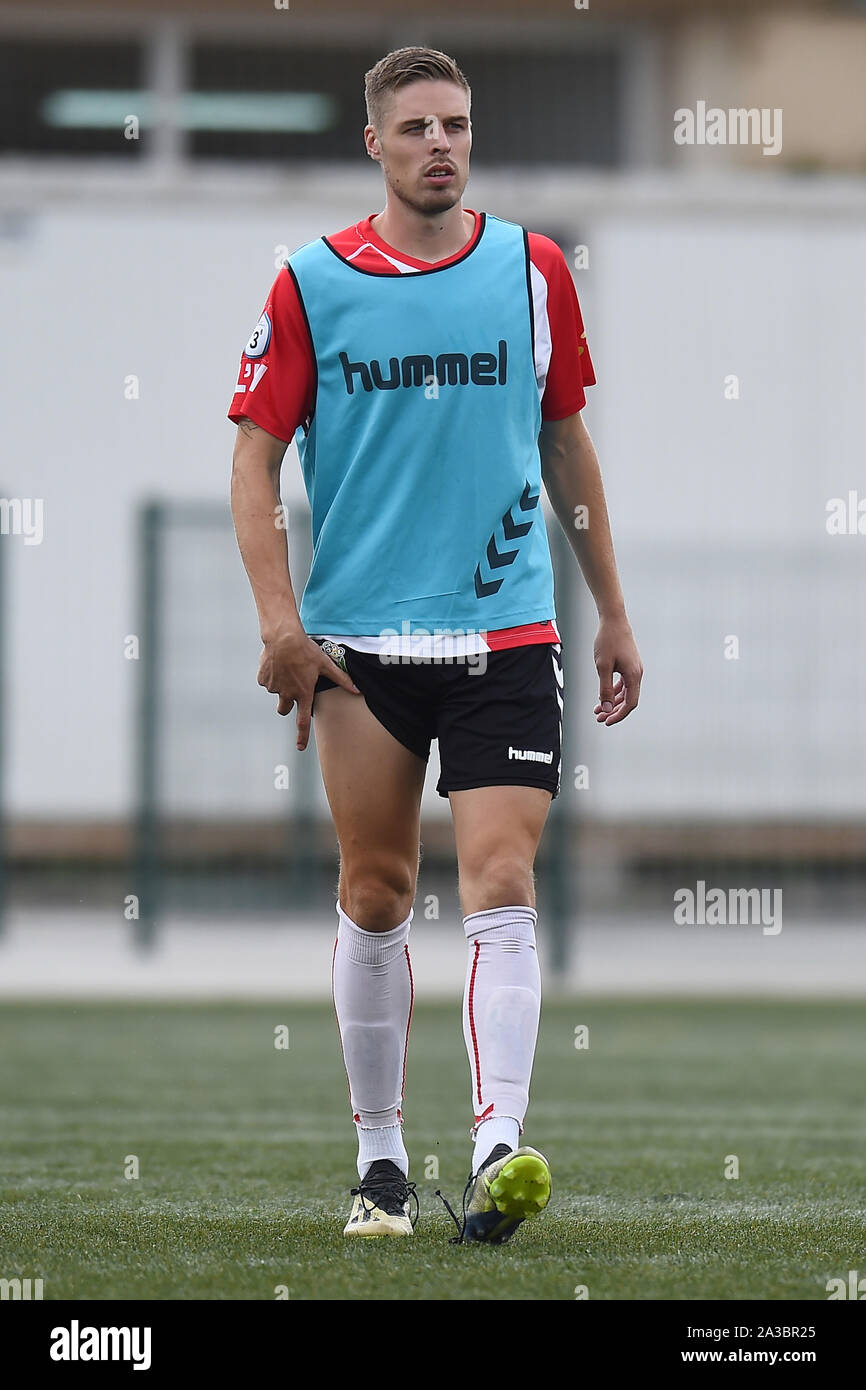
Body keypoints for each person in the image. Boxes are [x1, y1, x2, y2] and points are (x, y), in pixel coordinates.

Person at [229, 46, 643, 1243]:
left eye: (455, 125)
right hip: (361, 643)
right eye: (414, 128)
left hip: (506, 632)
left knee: (501, 881)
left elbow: (565, 443)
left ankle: (498, 1143)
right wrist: (278, 618)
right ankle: (378, 1165)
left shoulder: (532, 269)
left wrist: (609, 607)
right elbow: (253, 458)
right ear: (375, 143)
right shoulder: (311, 281)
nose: (439, 145)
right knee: (374, 892)